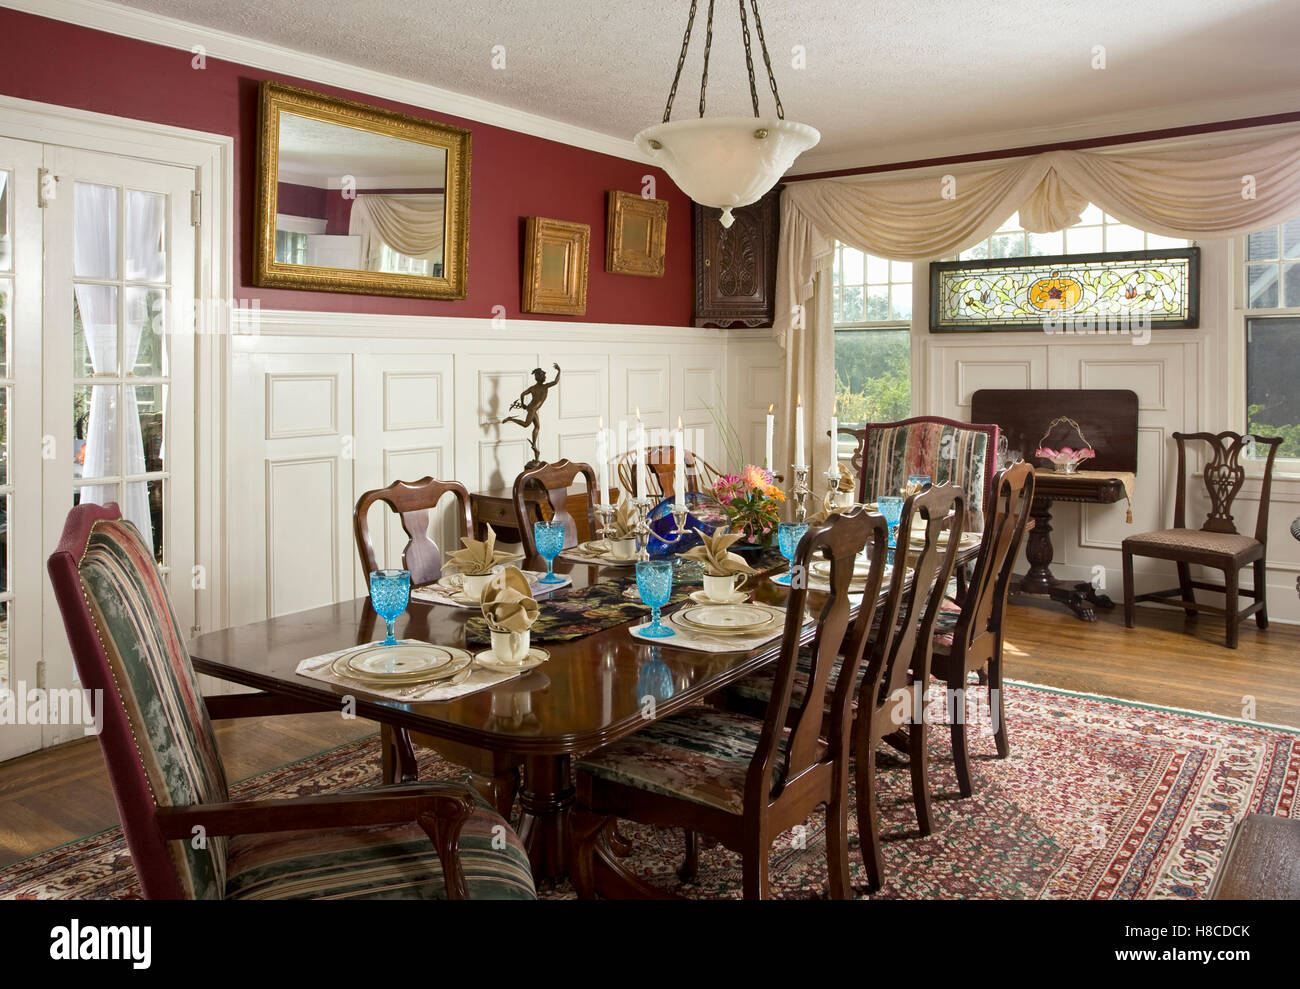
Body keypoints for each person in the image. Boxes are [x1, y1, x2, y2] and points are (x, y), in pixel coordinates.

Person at [502, 364, 561, 464]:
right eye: (544, 376)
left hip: (531, 408)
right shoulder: (545, 387)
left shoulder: (533, 388)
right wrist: (559, 371)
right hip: (533, 409)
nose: (545, 377)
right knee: (526, 425)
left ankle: (534, 445)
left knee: (537, 426)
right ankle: (510, 419)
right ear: (541, 378)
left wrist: (524, 404)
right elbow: (555, 381)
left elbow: (522, 394)